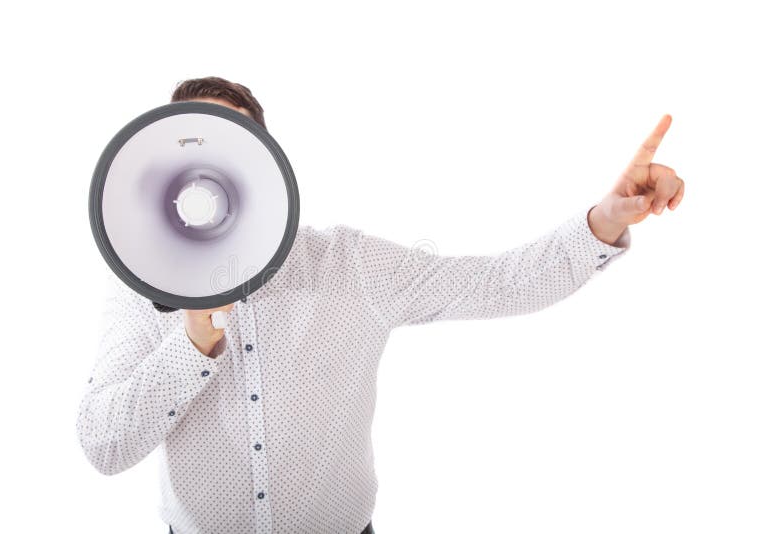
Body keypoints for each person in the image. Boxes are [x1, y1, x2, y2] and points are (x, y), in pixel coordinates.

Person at [76, 76, 685, 534]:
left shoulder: (350, 266)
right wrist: (192, 347)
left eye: (233, 148)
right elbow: (104, 446)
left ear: (267, 165)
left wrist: (604, 221)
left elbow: (498, 283)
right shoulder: (140, 287)